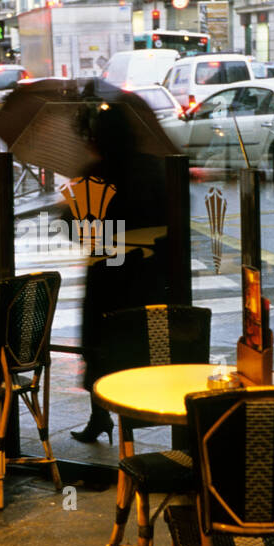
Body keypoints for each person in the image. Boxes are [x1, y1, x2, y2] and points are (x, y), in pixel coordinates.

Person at [72, 99, 170, 443]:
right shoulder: (153, 168)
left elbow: (77, 226)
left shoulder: (97, 173)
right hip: (146, 276)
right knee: (135, 347)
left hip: (108, 276)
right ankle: (130, 420)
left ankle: (100, 416)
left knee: (100, 347)